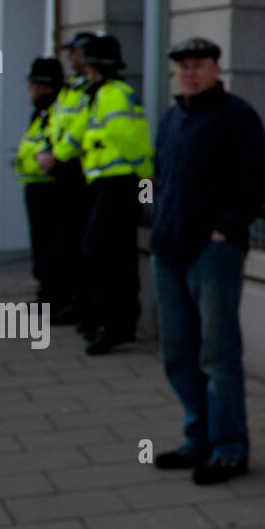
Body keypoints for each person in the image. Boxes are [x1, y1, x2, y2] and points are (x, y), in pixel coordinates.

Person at [150, 37, 265, 485]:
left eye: (198, 65)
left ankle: (229, 448)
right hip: (168, 252)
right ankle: (196, 439)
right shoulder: (172, 119)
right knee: (178, 355)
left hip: (212, 253)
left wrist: (224, 229)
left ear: (216, 69)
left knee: (217, 355)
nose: (190, 73)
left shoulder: (236, 117)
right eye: (183, 66)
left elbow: (257, 178)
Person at [77, 35, 153, 355]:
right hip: (112, 185)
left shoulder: (111, 94)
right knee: (112, 256)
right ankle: (111, 323)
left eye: (89, 65)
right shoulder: (106, 93)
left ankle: (114, 325)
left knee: (106, 256)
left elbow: (127, 137)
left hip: (118, 184)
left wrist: (145, 175)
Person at [39, 32, 95, 334]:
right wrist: (48, 149)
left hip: (77, 171)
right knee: (61, 242)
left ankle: (77, 304)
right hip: (62, 170)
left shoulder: (91, 88)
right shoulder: (71, 87)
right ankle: (67, 301)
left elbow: (80, 127)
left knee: (75, 243)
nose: (70, 57)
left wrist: (56, 155)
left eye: (73, 51)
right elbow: (58, 122)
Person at [15, 57, 72, 318]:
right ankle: (46, 296)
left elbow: (53, 147)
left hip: (49, 187)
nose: (29, 89)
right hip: (37, 185)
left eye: (33, 84)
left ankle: (55, 299)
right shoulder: (40, 112)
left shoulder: (53, 111)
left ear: (44, 86)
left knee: (51, 248)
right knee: (42, 247)